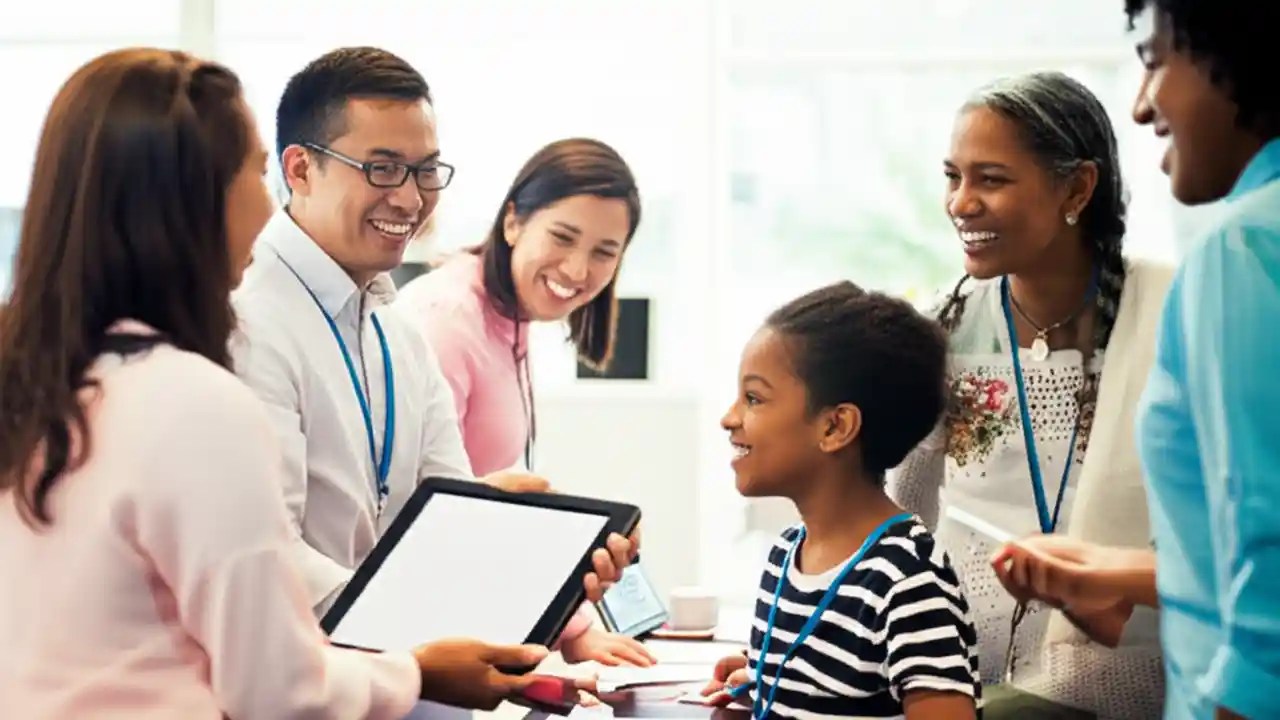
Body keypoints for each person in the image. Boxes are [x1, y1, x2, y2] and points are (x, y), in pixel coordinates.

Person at [0, 47, 548, 719]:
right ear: (195, 200)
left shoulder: (44, 373)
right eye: (257, 173)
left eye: (424, 170)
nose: (267, 209)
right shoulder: (199, 389)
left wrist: (507, 533)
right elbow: (276, 685)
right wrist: (415, 670)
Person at [229, 47, 631, 615]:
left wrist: (540, 548)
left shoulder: (396, 333)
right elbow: (266, 553)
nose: (412, 199)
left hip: (396, 660)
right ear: (299, 170)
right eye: (383, 169)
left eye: (424, 171)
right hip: (311, 664)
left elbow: (444, 520)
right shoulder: (248, 322)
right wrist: (406, 628)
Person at [991, 3, 1280, 719]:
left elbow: (1269, 577)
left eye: (1155, 61)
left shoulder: (1243, 249)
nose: (1143, 104)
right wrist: (1130, 573)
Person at [888, 71, 1172, 718]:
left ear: (1077, 188)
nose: (961, 203)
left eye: (991, 179)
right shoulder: (945, 329)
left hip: (1121, 683)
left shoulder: (1172, 312)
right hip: (955, 673)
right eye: (953, 177)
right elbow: (902, 520)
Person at [394, 137, 653, 667]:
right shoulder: (448, 319)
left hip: (450, 622)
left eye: (604, 252)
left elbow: (489, 496)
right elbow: (432, 511)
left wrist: (575, 628)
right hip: (414, 639)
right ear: (513, 222)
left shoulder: (509, 316)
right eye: (562, 237)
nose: (578, 270)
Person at [701, 282, 979, 720]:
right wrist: (762, 681)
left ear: (835, 427)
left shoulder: (907, 580)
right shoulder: (786, 554)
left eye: (753, 398)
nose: (728, 418)